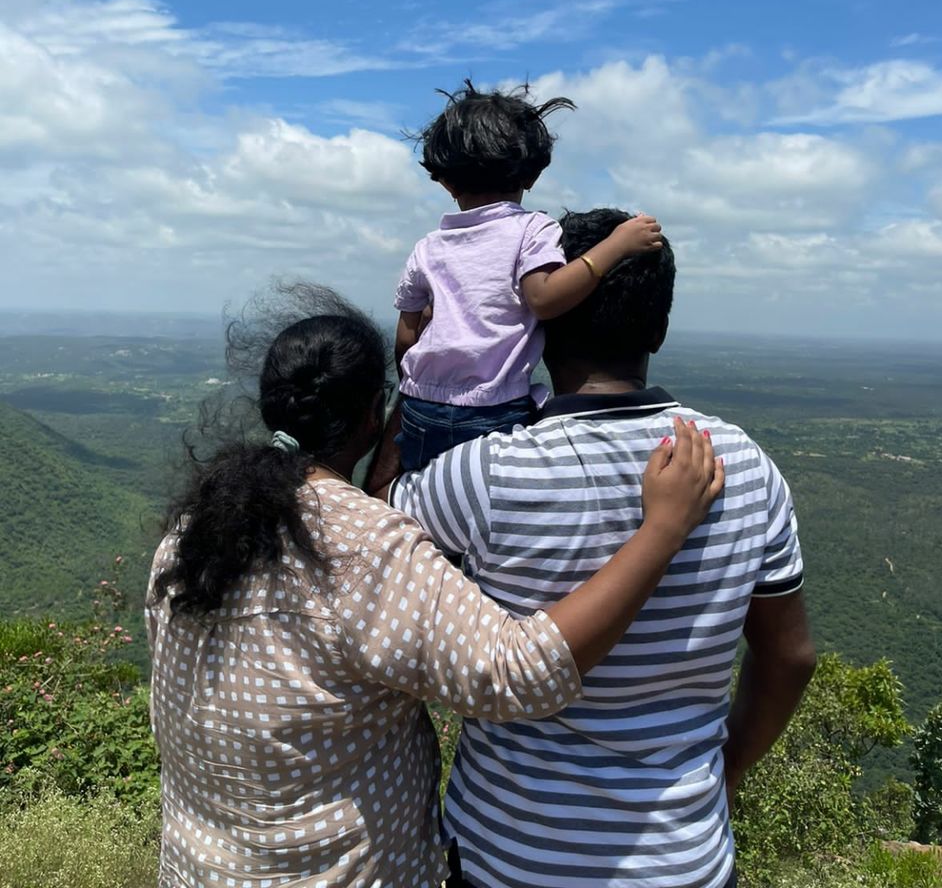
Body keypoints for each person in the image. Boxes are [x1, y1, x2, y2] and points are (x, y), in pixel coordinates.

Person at [146, 283, 723, 888]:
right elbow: (518, 673)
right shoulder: (365, 545)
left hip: (199, 867)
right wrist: (662, 529)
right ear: (373, 413)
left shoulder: (195, 530)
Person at [375, 211, 818, 888]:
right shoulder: (744, 464)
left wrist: (415, 399)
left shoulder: (485, 473)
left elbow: (372, 535)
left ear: (541, 323)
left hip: (507, 856)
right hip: (685, 858)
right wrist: (725, 775)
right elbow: (789, 657)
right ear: (660, 331)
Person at [393, 81, 662, 471]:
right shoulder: (533, 230)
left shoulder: (427, 247)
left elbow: (406, 339)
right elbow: (545, 299)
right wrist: (617, 245)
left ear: (446, 181)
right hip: (491, 409)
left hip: (421, 405)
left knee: (423, 490)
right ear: (531, 175)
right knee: (490, 498)